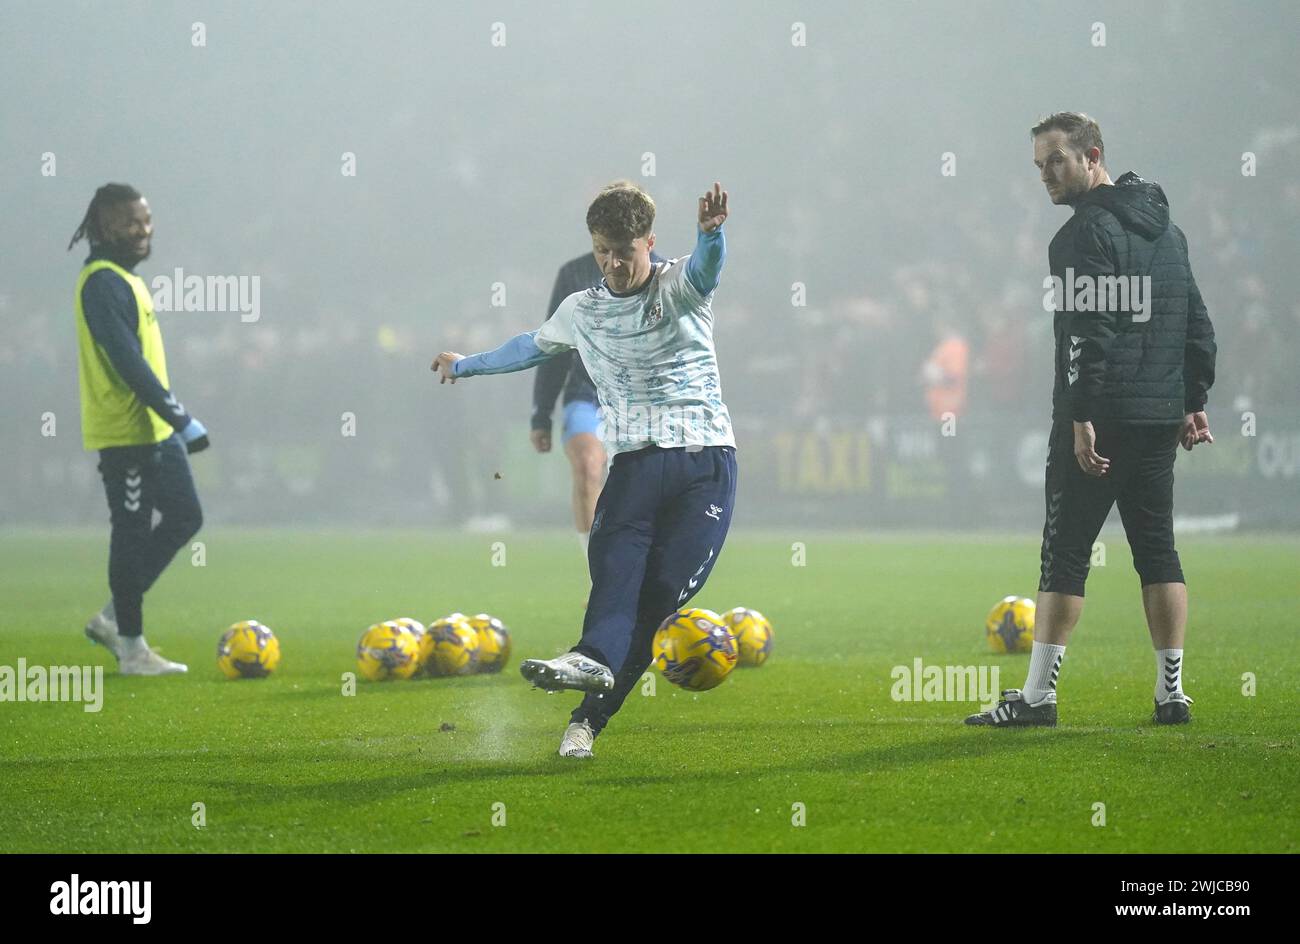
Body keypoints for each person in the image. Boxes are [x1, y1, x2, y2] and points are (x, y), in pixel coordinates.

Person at [433, 180, 736, 757]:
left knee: (657, 603)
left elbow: (708, 266)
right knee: (615, 576)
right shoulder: (583, 310)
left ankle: (587, 720)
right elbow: (529, 346)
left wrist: (712, 234)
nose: (614, 263)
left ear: (649, 241)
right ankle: (590, 662)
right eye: (603, 250)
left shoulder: (682, 286)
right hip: (634, 468)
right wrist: (466, 364)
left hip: (705, 465)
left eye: (625, 250)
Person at [967, 113, 1217, 728]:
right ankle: (1171, 695)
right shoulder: (1169, 232)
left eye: (1056, 160)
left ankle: (1037, 698)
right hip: (1158, 419)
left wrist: (1081, 417)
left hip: (1102, 419)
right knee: (1158, 551)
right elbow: (1196, 324)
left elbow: (1088, 333)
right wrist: (1191, 398)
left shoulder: (1083, 234)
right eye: (1038, 166)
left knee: (1066, 552)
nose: (1046, 175)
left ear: (1092, 155)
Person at [70, 184, 209, 675]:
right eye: (132, 221)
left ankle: (112, 618)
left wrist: (170, 422)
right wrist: (180, 417)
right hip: (126, 434)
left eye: (147, 220)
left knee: (185, 516)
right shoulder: (102, 282)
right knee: (129, 533)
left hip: (153, 431)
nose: (143, 229)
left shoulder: (127, 280)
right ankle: (131, 648)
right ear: (106, 226)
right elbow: (127, 362)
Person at [530, 248, 666, 562]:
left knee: (643, 485)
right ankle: (600, 576)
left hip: (642, 401)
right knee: (588, 466)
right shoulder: (574, 274)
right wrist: (542, 413)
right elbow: (553, 345)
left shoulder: (666, 273)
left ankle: (646, 572)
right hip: (586, 394)